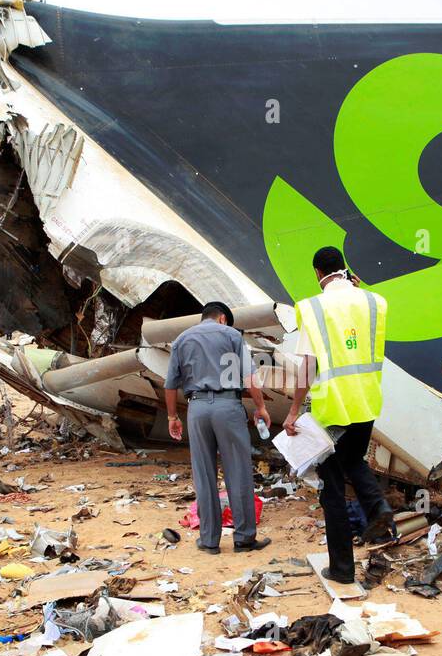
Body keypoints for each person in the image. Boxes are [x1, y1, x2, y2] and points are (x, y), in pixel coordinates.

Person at [284, 246, 394, 582]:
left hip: (332, 407)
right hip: (366, 401)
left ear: (318, 273)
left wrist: (292, 411)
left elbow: (307, 366)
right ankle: (377, 508)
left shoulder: (312, 308)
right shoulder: (374, 301)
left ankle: (343, 570)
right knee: (355, 460)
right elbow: (356, 336)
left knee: (331, 487)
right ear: (344, 269)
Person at [164, 301, 272, 554]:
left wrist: (172, 417)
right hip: (227, 406)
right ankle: (244, 539)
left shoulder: (182, 339)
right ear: (223, 318)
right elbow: (248, 377)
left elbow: (170, 384)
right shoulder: (232, 335)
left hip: (197, 408)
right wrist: (261, 407)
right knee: (238, 471)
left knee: (203, 473)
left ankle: (210, 540)